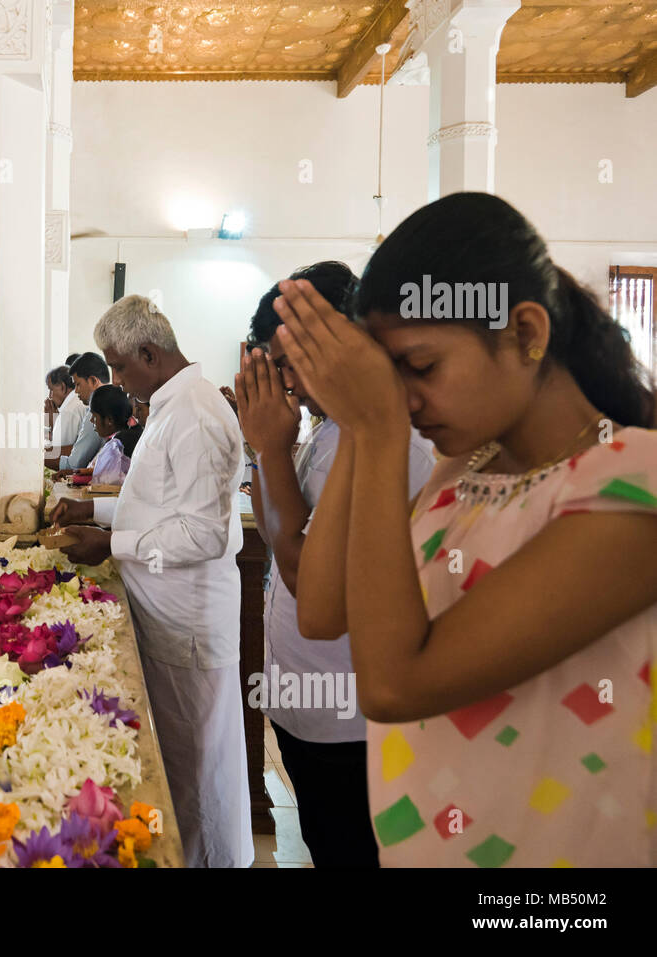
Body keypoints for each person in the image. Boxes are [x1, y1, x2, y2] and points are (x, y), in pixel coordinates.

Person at [284, 192, 656, 867]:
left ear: (526, 334)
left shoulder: (632, 482)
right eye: (391, 375)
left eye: (421, 367)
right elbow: (322, 608)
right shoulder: (467, 467)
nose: (408, 399)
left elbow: (395, 684)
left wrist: (376, 425)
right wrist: (361, 421)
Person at [235, 261, 435, 868]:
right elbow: (280, 536)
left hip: (355, 720)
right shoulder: (329, 434)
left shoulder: (396, 443)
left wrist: (270, 447)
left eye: (291, 363)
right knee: (330, 842)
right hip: (313, 705)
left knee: (355, 849)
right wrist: (265, 450)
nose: (288, 384)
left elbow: (307, 579)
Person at [50, 295, 252, 868]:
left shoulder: (198, 413)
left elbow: (203, 534)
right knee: (182, 761)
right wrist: (95, 514)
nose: (113, 379)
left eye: (117, 366)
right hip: (167, 612)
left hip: (188, 620)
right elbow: (158, 507)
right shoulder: (169, 404)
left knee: (197, 768)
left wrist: (110, 544)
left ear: (148, 351)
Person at [46, 352, 108, 470]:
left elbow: (74, 463)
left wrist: (35, 456)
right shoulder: (109, 400)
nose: (76, 391)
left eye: (78, 385)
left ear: (93, 381)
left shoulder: (96, 409)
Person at [85, 383, 141, 487]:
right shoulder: (136, 433)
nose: (91, 420)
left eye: (94, 416)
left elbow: (101, 485)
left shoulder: (115, 446)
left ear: (109, 420)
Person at [45, 365, 83, 452]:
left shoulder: (69, 410)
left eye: (51, 390)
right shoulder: (77, 400)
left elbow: (57, 452)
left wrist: (52, 421)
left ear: (62, 387)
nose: (50, 396)